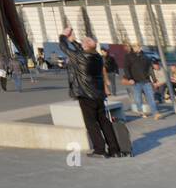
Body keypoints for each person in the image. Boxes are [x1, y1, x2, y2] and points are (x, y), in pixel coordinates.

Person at [58, 27, 124, 158]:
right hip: (98, 95)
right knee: (104, 121)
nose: (81, 44)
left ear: (86, 46)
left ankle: (99, 149)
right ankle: (114, 149)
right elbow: (81, 50)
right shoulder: (98, 57)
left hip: (86, 94)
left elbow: (64, 47)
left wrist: (63, 36)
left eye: (83, 43)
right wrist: (74, 41)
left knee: (91, 123)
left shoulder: (81, 57)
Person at [122, 44, 162, 120]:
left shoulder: (145, 57)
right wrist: (130, 78)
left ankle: (155, 113)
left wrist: (154, 80)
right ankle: (140, 111)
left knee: (151, 98)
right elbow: (126, 68)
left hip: (146, 81)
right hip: (136, 81)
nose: (134, 48)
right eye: (133, 47)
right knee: (138, 98)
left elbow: (150, 69)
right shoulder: (129, 56)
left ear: (140, 47)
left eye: (136, 46)